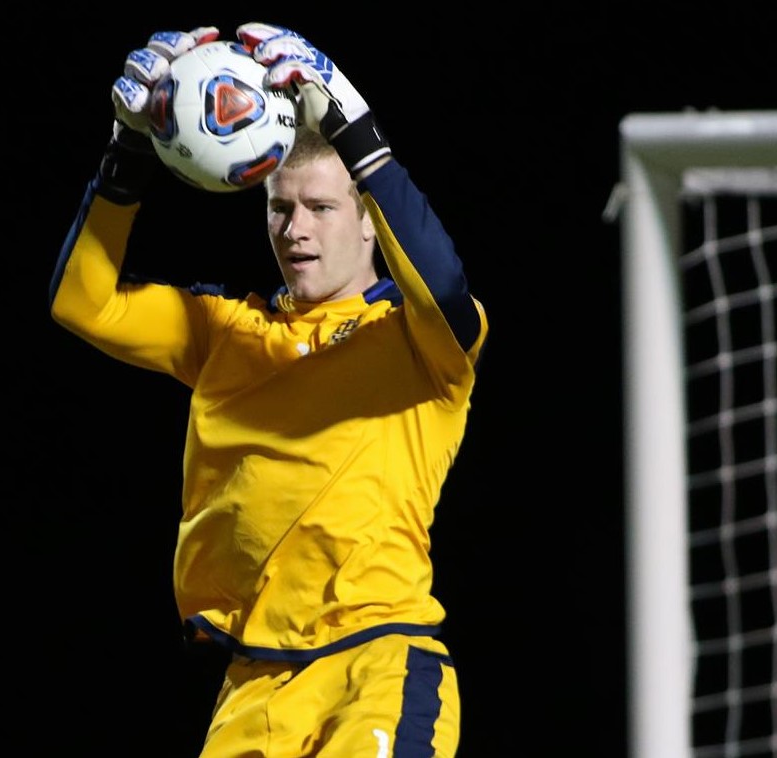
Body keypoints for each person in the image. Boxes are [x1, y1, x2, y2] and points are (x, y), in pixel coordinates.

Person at [49, 22, 488, 757]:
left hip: (376, 663)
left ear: (370, 223)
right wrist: (129, 150)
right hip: (252, 688)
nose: (295, 229)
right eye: (280, 208)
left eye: (322, 207)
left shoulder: (418, 342)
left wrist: (356, 129)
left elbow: (443, 287)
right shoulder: (229, 331)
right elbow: (81, 301)